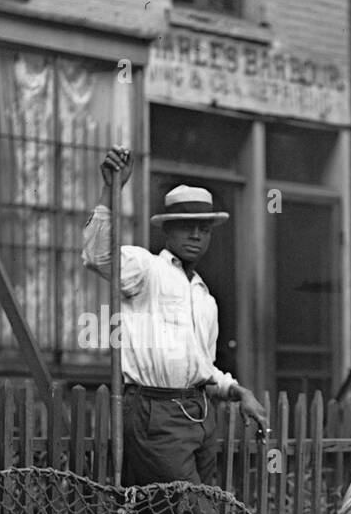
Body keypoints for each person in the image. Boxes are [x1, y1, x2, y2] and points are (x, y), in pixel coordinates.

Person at [83, 146, 268, 485]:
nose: (196, 235)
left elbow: (204, 366)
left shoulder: (204, 296)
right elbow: (97, 255)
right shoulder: (147, 270)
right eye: (186, 227)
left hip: (200, 414)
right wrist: (111, 191)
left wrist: (239, 391)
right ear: (167, 231)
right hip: (154, 411)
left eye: (204, 229)